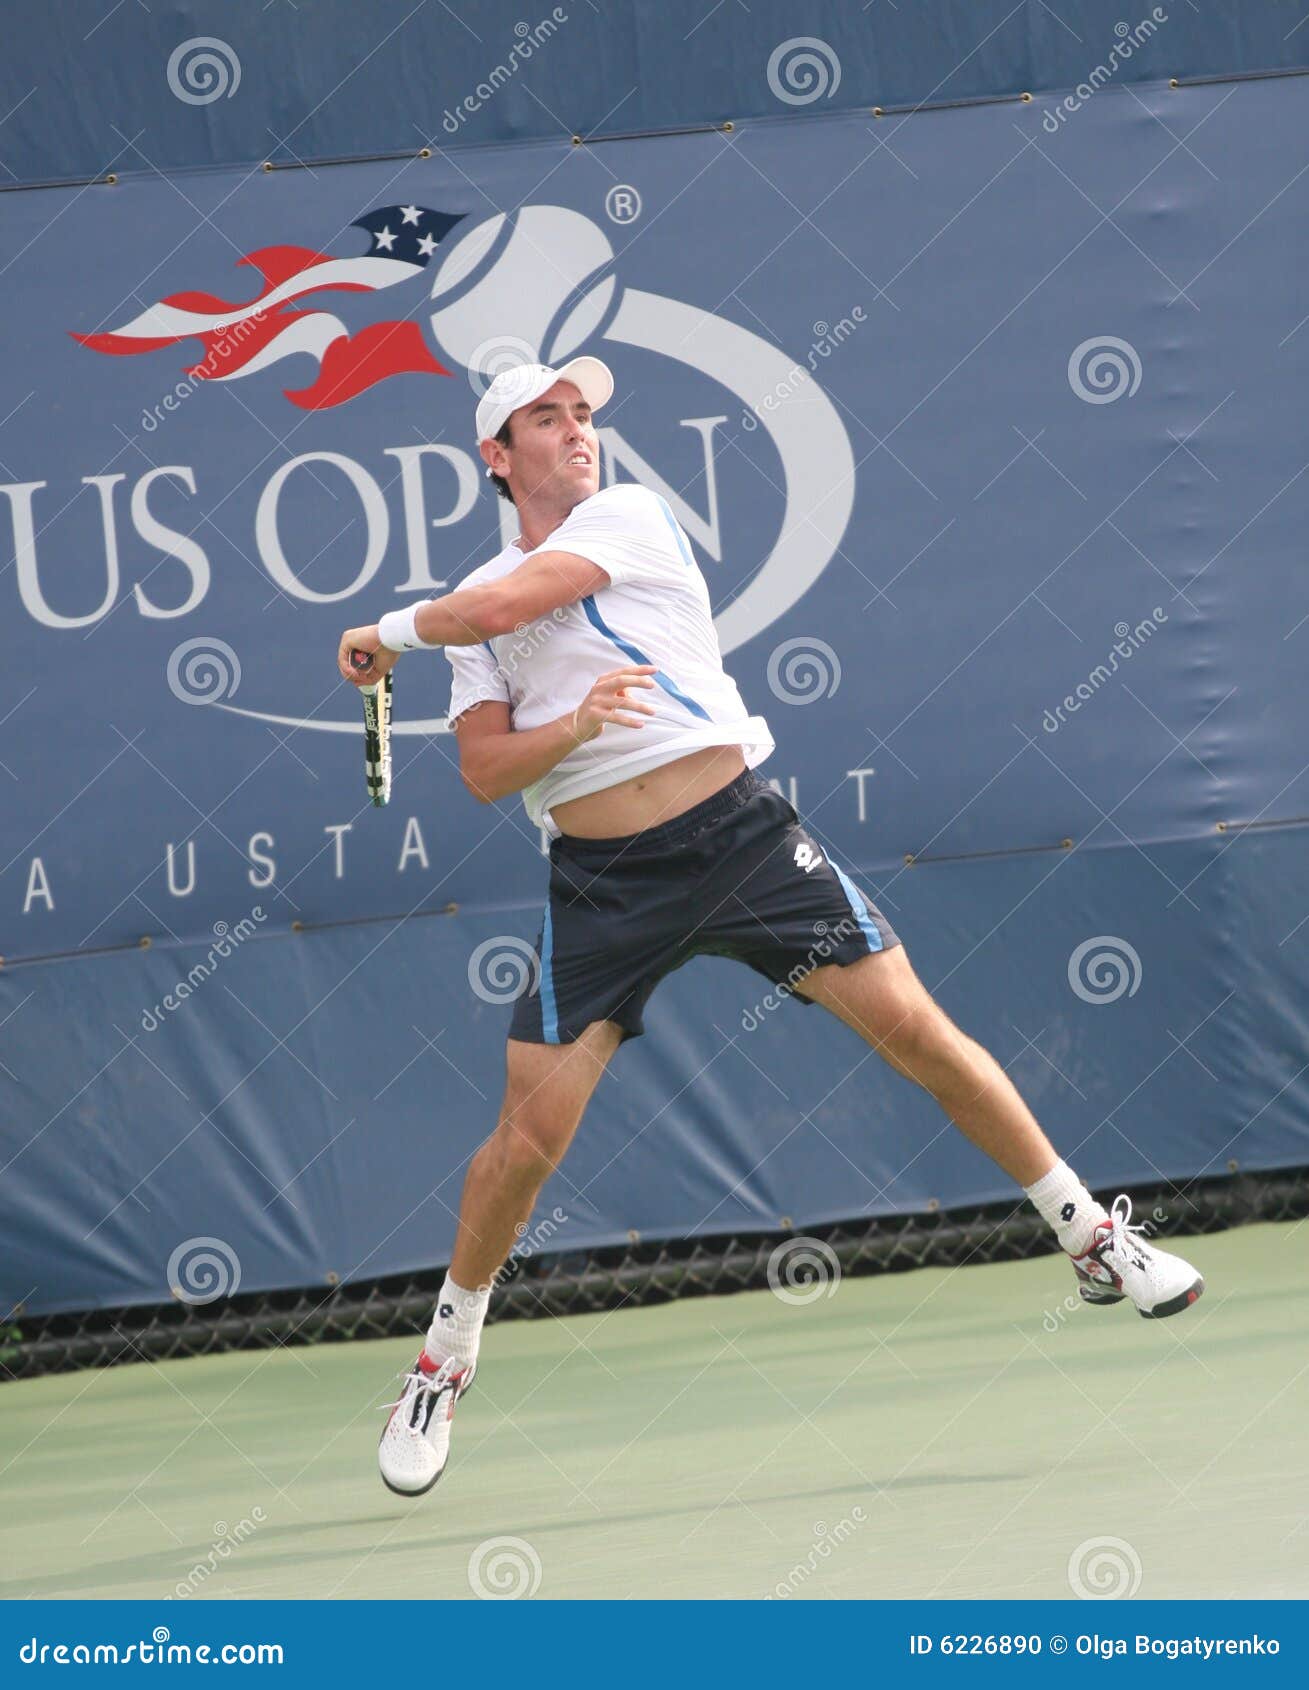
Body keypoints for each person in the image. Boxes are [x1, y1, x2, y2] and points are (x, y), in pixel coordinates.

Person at [337, 356, 1204, 1498]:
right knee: (524, 1146)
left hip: (740, 841)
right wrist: (573, 729)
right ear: (495, 455)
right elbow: (488, 769)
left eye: (581, 412)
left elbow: (501, 604)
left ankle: (1091, 1235)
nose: (575, 429)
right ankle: (444, 1357)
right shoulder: (470, 618)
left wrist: (384, 628)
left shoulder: (628, 517)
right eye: (544, 418)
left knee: (920, 1037)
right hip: (603, 885)